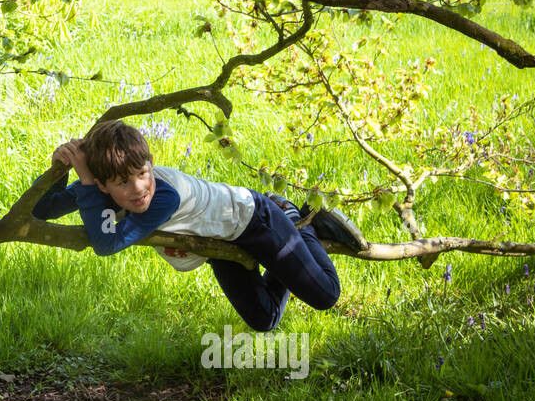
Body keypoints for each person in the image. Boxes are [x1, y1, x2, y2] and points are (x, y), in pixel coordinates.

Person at [32, 120, 368, 332]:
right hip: (218, 244)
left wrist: (88, 185)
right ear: (103, 184)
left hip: (255, 221)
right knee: (264, 320)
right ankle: (291, 248)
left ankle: (303, 219)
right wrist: (59, 172)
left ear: (150, 164)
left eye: (142, 173)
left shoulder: (164, 197)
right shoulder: (93, 188)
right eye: (122, 182)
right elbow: (39, 210)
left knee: (326, 294)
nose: (137, 189)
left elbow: (106, 244)